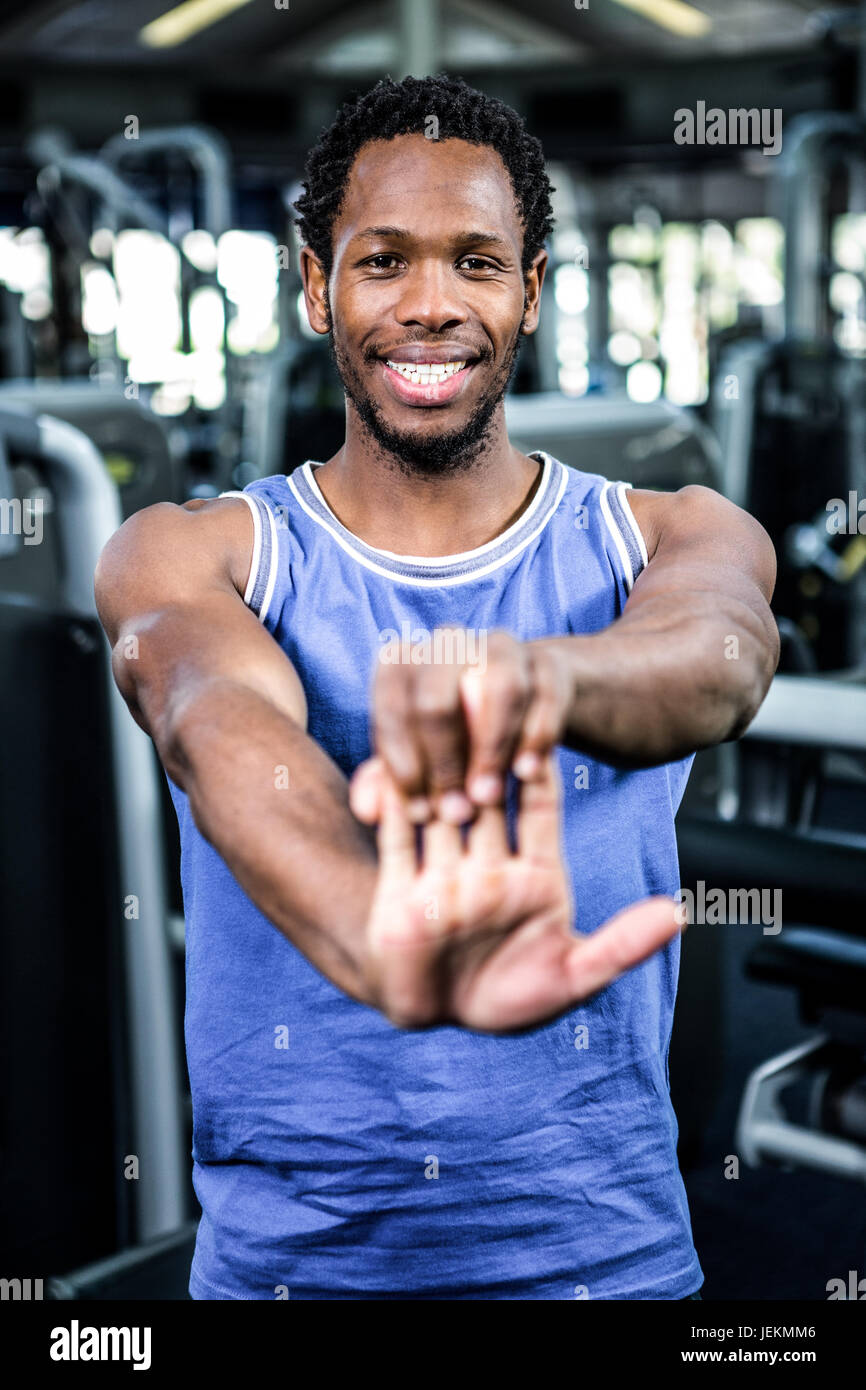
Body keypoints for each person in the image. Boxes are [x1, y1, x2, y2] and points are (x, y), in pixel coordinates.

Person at [94, 74, 778, 1300]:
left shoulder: (672, 531)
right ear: (315, 285)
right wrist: (370, 925)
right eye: (381, 262)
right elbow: (219, 727)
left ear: (530, 290)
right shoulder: (193, 552)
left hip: (603, 1263)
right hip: (288, 1272)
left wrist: (524, 681)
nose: (427, 307)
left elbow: (715, 661)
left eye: (473, 261)